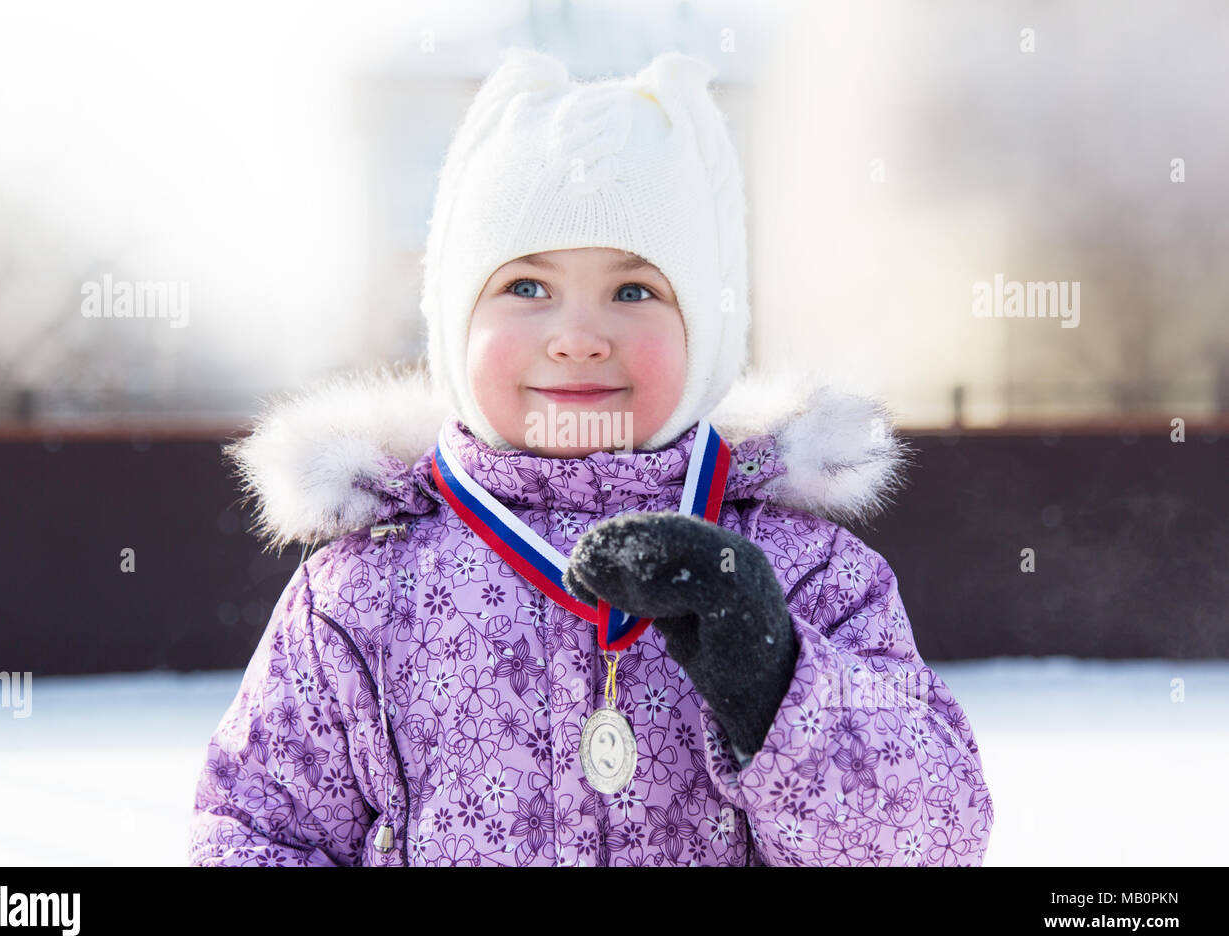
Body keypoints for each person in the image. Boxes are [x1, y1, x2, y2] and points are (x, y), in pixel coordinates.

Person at [187, 47, 993, 866]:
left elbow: (937, 842)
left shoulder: (807, 574)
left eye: (634, 291)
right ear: (455, 323)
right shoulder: (359, 594)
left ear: (706, 335)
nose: (577, 338)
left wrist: (778, 681)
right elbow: (255, 833)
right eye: (526, 289)